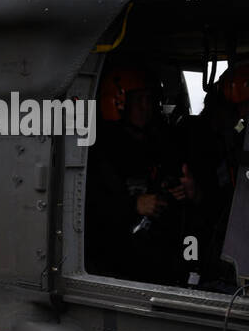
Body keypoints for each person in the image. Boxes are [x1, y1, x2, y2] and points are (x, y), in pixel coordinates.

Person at [87, 65, 205, 284]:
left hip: (164, 262)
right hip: (119, 271)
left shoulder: (163, 145)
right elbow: (85, 213)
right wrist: (133, 205)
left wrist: (191, 193)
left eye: (150, 99)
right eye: (139, 100)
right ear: (119, 103)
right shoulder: (99, 154)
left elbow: (197, 205)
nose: (146, 107)